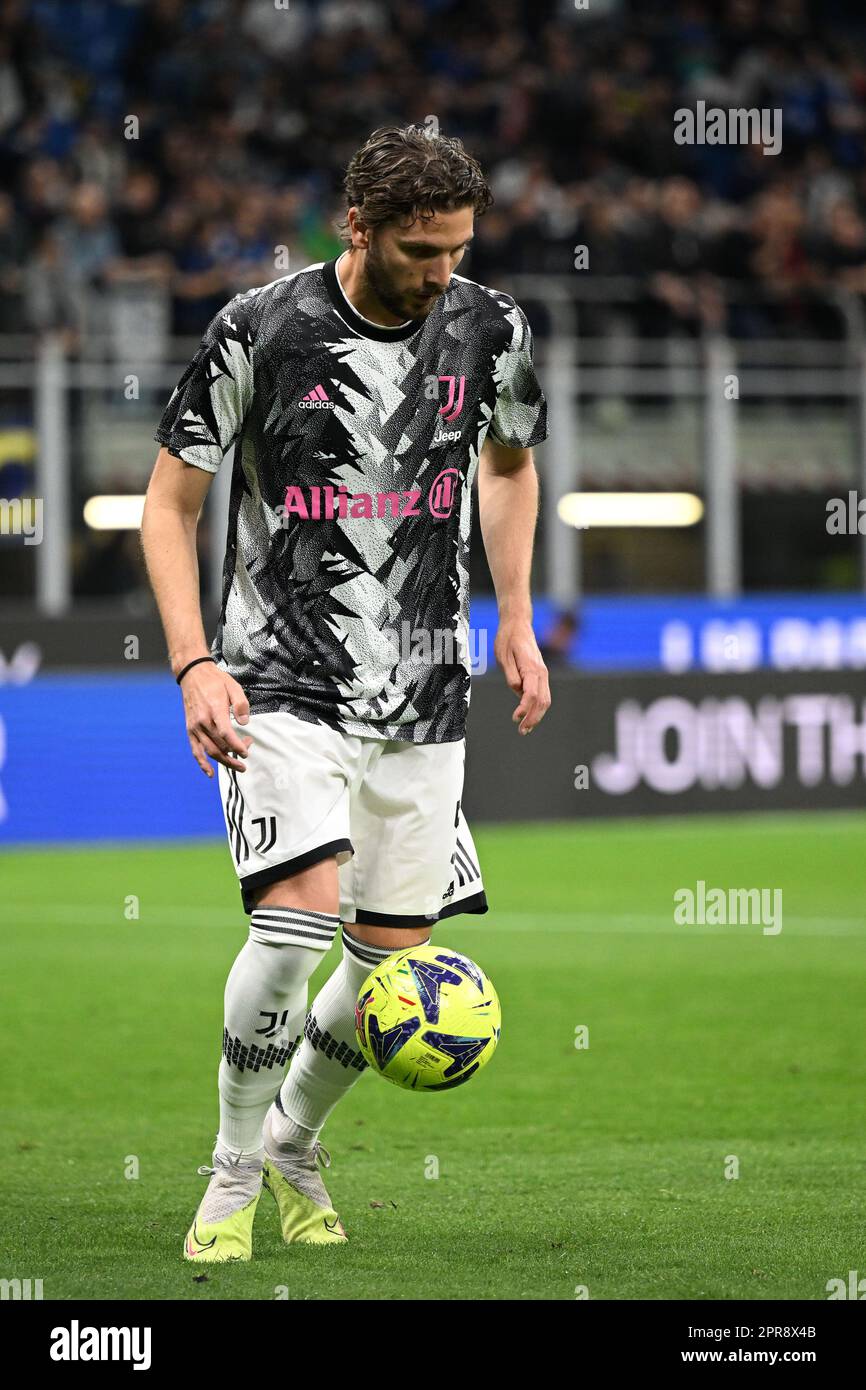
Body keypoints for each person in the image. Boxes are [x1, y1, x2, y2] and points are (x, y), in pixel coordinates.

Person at [141, 124, 550, 1262]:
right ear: (355, 228)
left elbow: (509, 468)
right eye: (420, 250)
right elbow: (169, 507)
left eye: (457, 249)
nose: (440, 274)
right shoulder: (258, 329)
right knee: (292, 926)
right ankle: (227, 1172)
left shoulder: (493, 326)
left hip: (424, 690)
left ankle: (292, 1140)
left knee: (384, 968)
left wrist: (514, 616)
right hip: (278, 677)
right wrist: (192, 661)